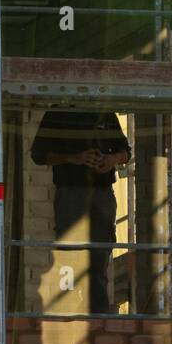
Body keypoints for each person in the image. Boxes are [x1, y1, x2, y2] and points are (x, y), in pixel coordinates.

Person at [30, 109, 131, 315]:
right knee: (69, 251)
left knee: (100, 253)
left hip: (101, 192)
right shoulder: (57, 113)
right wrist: (74, 158)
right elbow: (38, 155)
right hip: (71, 191)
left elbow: (125, 152)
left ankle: (97, 312)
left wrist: (111, 160)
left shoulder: (105, 113)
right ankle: (66, 309)